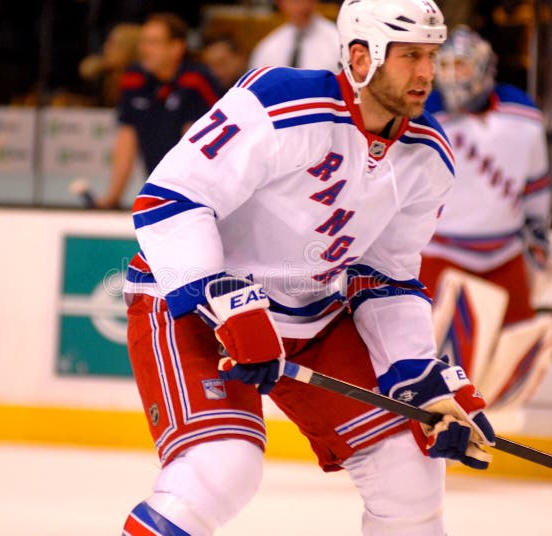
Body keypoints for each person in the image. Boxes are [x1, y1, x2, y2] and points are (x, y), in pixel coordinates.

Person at [120, 2, 496, 535]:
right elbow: (169, 201)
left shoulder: (428, 155)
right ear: (362, 57)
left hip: (309, 316)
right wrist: (230, 308)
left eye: (430, 55)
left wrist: (419, 378)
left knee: (410, 476)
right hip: (189, 302)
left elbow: (384, 276)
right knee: (221, 470)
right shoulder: (279, 102)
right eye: (410, 55)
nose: (427, 73)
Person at [420, 27, 552, 428]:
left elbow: (535, 183)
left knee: (515, 342)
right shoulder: (427, 113)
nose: (451, 75)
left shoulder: (524, 115)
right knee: (424, 348)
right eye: (443, 65)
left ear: (484, 67)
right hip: (439, 251)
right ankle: (421, 425)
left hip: (503, 252)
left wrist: (538, 232)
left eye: (460, 64)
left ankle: (485, 423)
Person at [94, 13, 221, 209]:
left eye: (153, 42)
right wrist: (114, 196)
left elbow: (196, 143)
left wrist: (184, 196)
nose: (144, 49)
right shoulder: (134, 78)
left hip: (200, 194)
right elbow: (127, 136)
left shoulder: (196, 81)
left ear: (176, 48)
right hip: (160, 191)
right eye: (143, 42)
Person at [248, 0, 339, 72]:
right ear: (281, 3)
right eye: (295, 1)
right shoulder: (268, 48)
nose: (303, 5)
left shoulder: (337, 41)